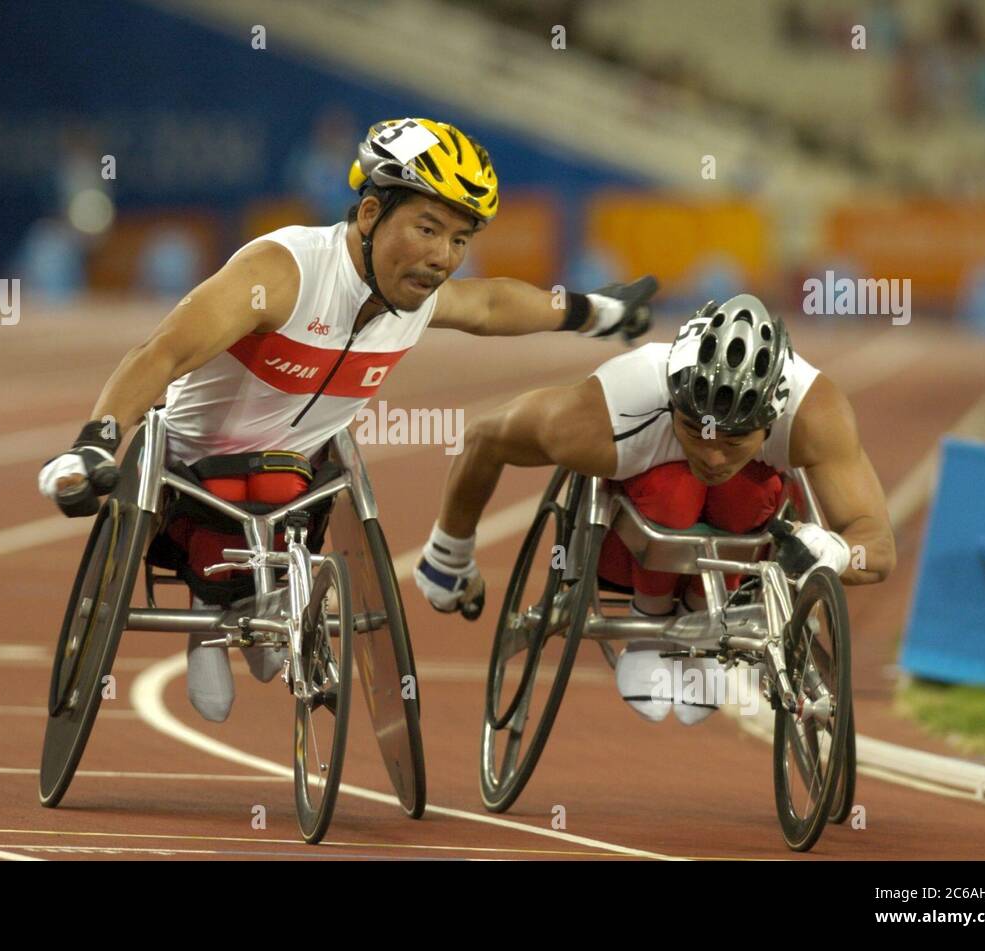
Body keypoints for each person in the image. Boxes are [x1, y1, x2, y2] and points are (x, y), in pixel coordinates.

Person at [38, 116, 654, 722]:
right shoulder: (282, 273)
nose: (443, 258)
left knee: (289, 480)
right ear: (368, 215)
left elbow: (493, 303)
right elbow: (162, 353)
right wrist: (95, 443)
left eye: (459, 241)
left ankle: (254, 599)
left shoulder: (412, 294)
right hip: (189, 473)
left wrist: (598, 312)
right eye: (428, 228)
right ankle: (211, 616)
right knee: (249, 489)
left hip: (294, 490)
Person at [414, 294, 895, 724]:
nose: (713, 455)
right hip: (631, 539)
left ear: (774, 418)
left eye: (734, 440)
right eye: (695, 431)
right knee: (675, 486)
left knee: (748, 487)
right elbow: (484, 437)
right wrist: (448, 555)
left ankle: (705, 613)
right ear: (670, 402)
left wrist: (832, 550)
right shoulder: (610, 410)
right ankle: (651, 623)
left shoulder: (815, 415)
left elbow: (876, 549)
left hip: (749, 534)